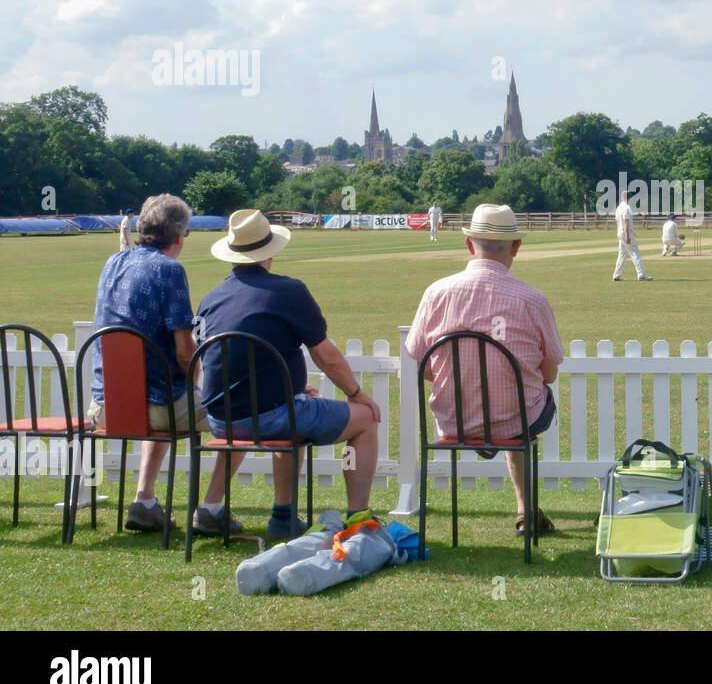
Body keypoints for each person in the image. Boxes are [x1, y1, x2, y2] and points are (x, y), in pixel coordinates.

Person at [195, 209, 381, 539]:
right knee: (365, 418)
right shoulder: (288, 291)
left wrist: (291, 388)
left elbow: (224, 363)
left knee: (274, 410)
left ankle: (212, 509)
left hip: (220, 417)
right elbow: (327, 357)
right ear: (271, 251)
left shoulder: (210, 298)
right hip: (273, 415)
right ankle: (358, 518)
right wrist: (356, 393)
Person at [404, 204, 564, 536]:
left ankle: (526, 508)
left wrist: (460, 382)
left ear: (469, 244)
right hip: (516, 418)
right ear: (516, 247)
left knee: (510, 405)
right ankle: (525, 508)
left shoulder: (436, 293)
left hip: (453, 419)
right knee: (531, 404)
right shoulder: (531, 299)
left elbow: (419, 361)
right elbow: (548, 373)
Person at [88, 194, 237, 534]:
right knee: (240, 409)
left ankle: (145, 501)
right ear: (180, 234)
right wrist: (208, 385)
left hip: (105, 406)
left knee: (162, 387)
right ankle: (211, 509)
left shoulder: (113, 261)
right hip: (154, 407)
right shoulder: (169, 270)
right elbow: (186, 354)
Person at [612, 190, 652, 281]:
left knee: (622, 255)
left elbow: (617, 222)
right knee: (635, 253)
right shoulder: (626, 208)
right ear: (630, 198)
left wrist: (620, 233)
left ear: (622, 197)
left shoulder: (618, 208)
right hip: (626, 232)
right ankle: (641, 274)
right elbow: (625, 222)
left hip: (620, 232)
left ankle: (617, 275)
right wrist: (627, 236)